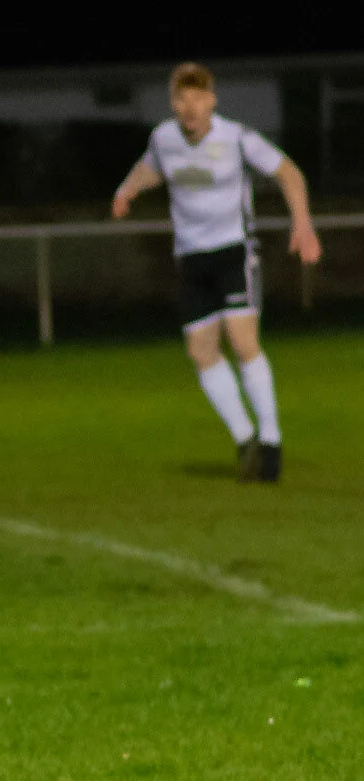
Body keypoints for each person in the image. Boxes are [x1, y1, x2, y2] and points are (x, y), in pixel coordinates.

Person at [112, 61, 322, 483]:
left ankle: (272, 442)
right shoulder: (164, 139)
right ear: (173, 104)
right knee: (200, 352)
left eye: (197, 98)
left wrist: (302, 221)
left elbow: (288, 172)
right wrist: (127, 189)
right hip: (191, 258)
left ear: (212, 101)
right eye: (181, 99)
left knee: (243, 343)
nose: (189, 107)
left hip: (234, 252)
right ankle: (246, 440)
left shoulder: (236, 138)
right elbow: (151, 166)